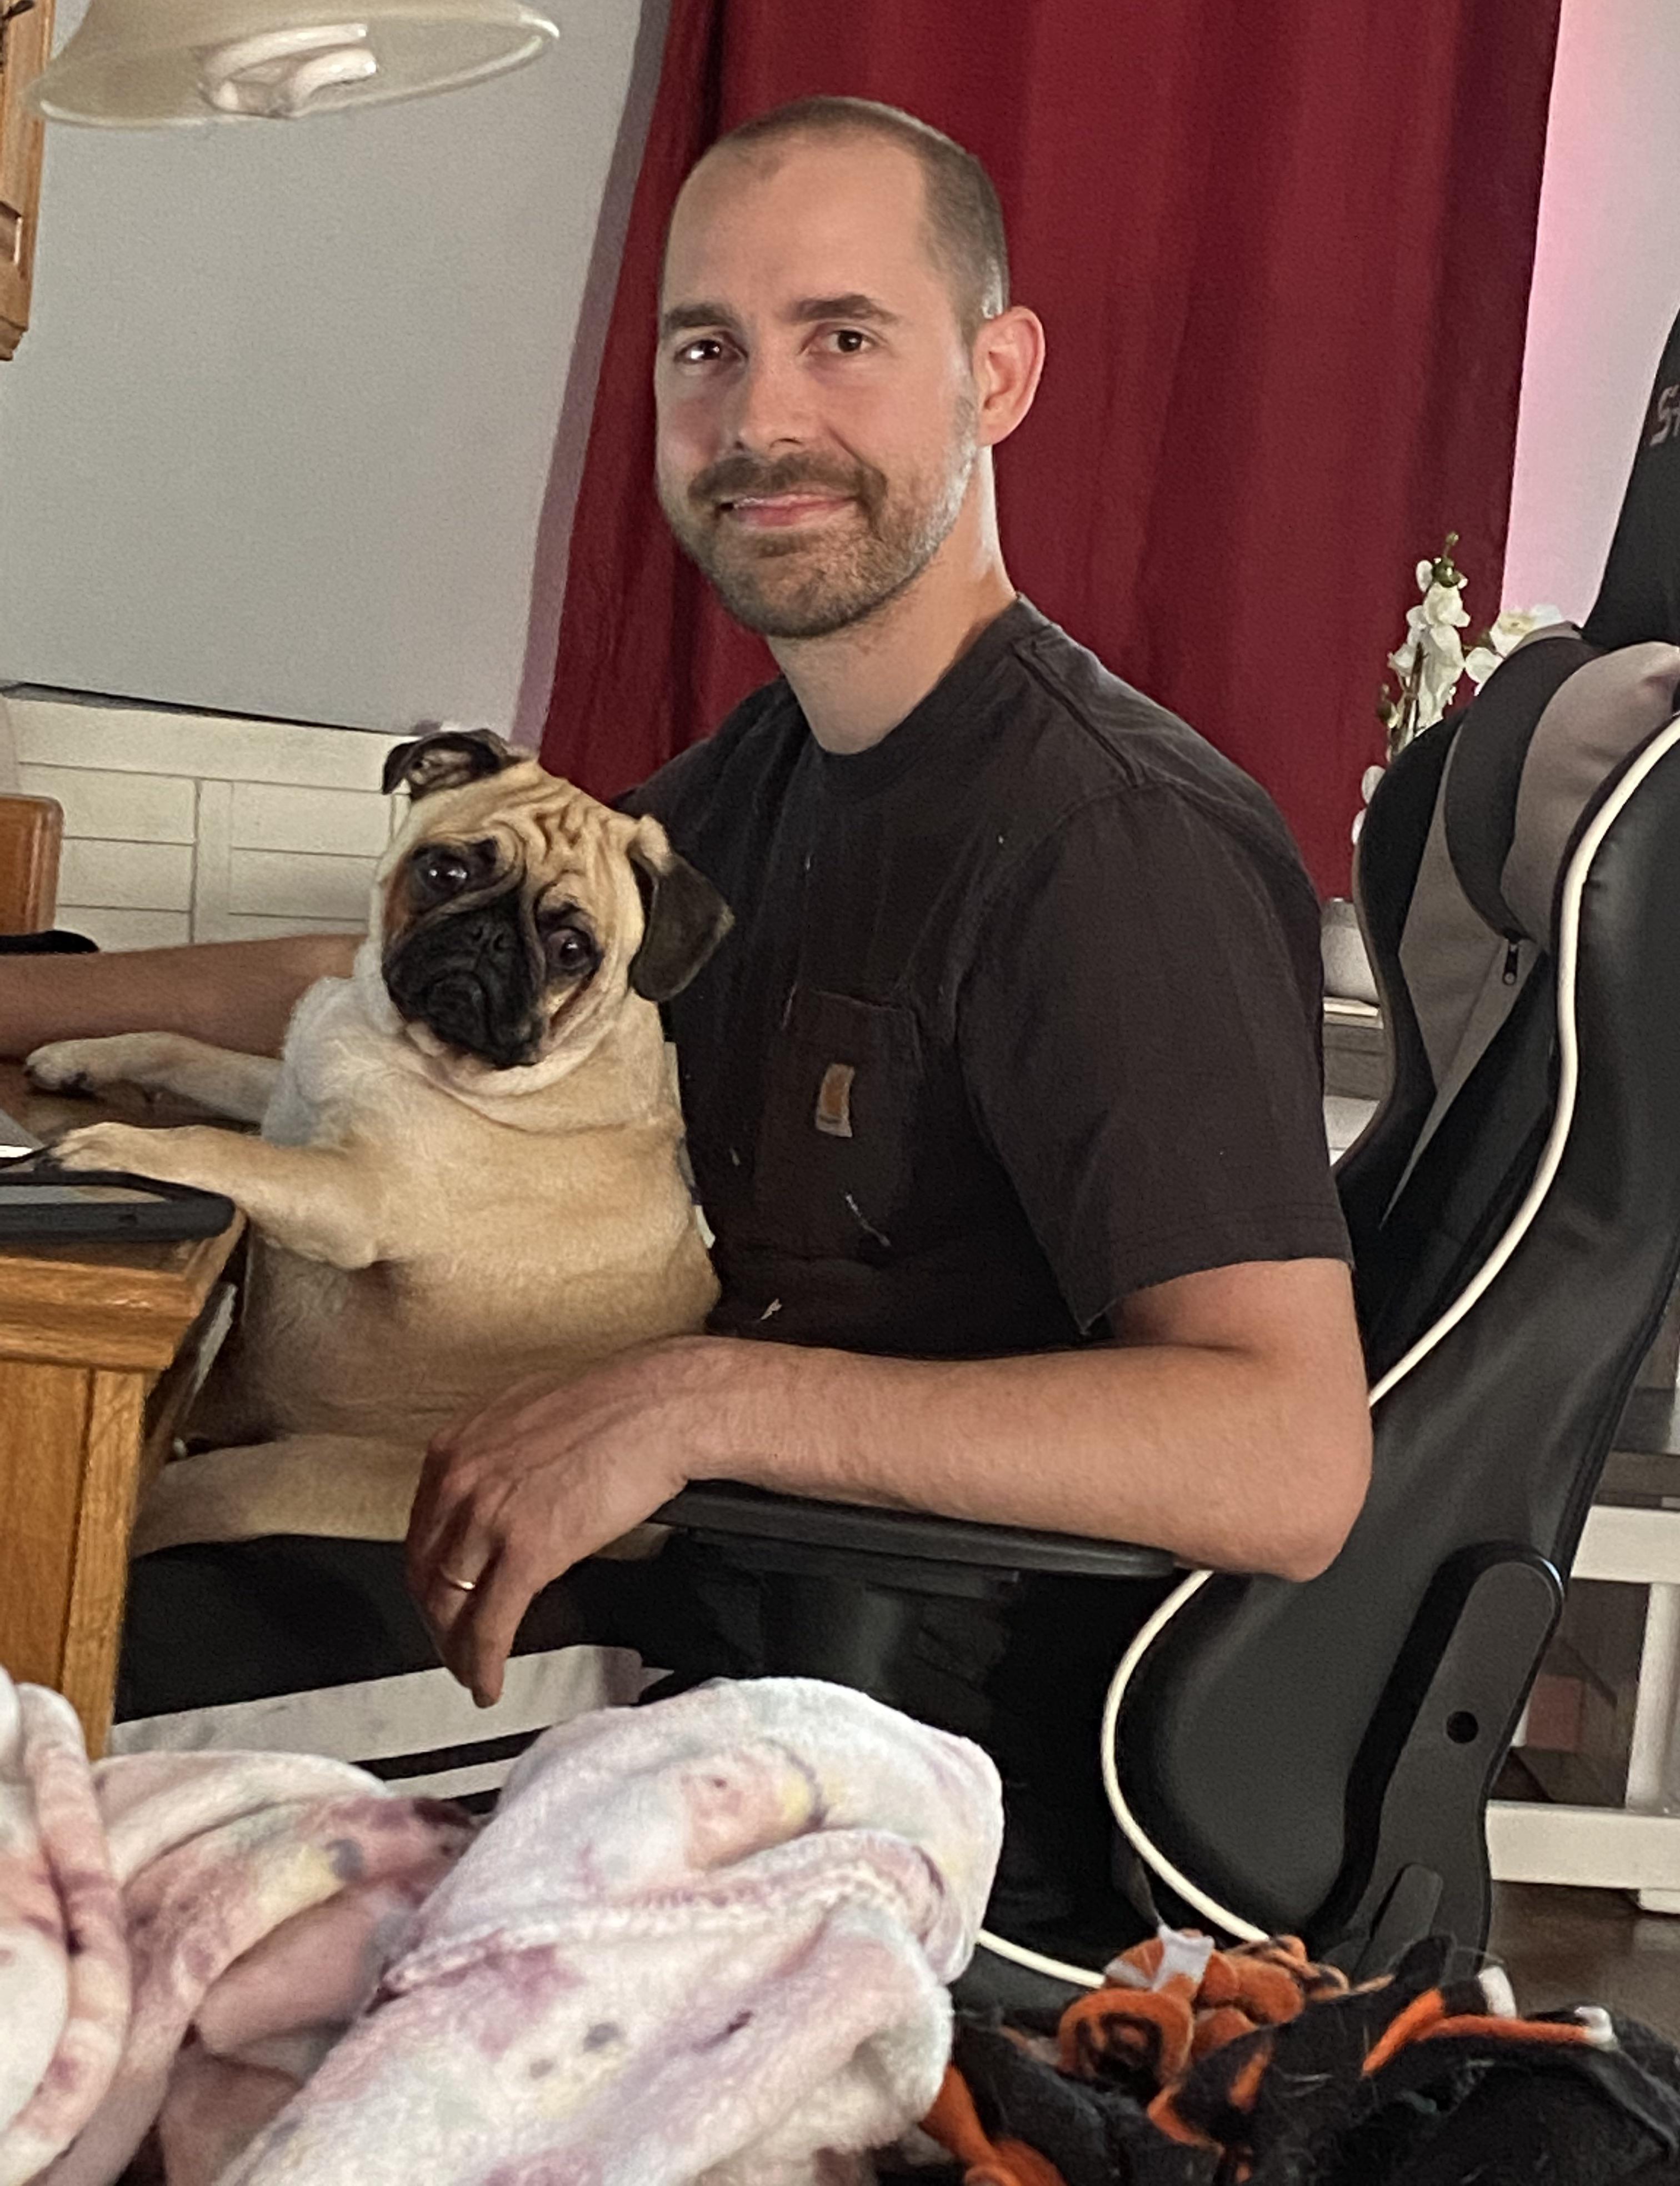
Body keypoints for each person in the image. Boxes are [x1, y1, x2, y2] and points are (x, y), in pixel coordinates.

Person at [2, 98, 1369, 1956]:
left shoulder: (1111, 845)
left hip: (802, 1682)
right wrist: (32, 997)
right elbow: (427, 979)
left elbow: (1286, 1457)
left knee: (25, 1661)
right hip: (595, 1520)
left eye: (845, 339)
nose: (764, 421)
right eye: (707, 350)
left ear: (1000, 373)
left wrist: (702, 1399)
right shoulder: (774, 771)